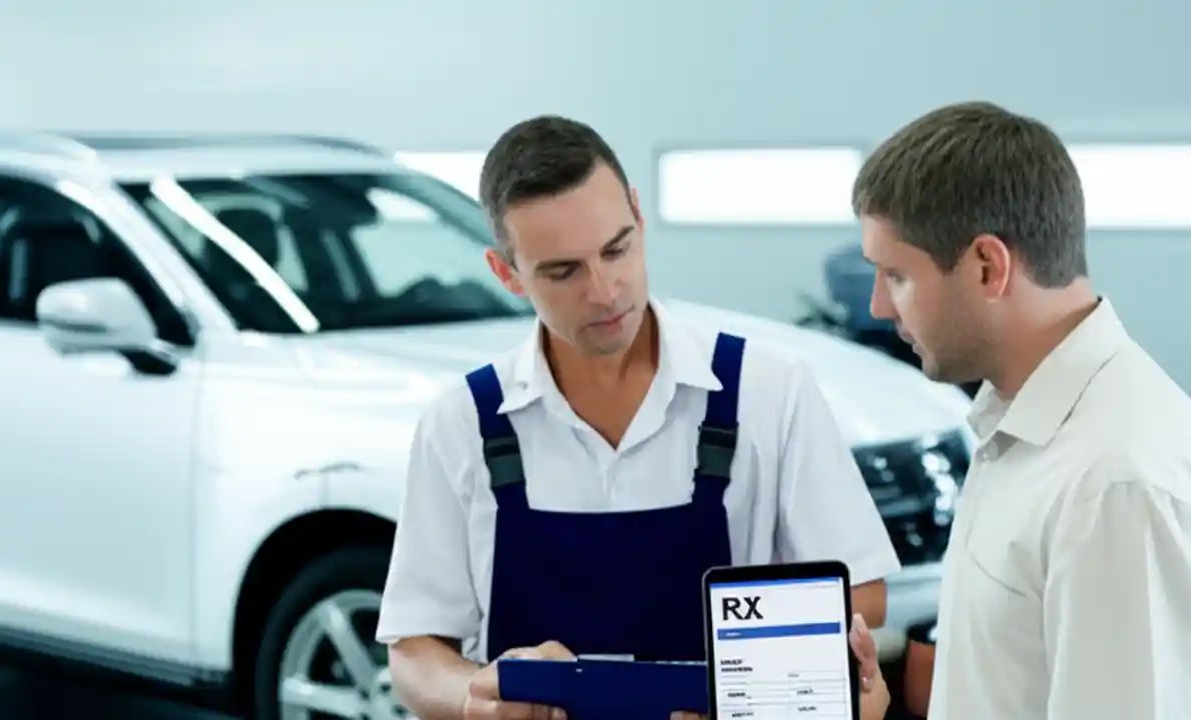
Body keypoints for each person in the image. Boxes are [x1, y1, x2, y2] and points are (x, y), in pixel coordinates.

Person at [375, 114, 900, 720]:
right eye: (563, 271)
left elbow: (863, 592)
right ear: (507, 273)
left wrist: (752, 687)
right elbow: (415, 650)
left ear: (638, 215)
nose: (604, 290)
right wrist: (476, 700)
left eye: (616, 249)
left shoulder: (768, 392)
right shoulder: (462, 423)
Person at [849, 100, 1191, 719]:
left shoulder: (1115, 483)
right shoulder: (1020, 425)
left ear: (988, 266)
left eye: (896, 275)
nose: (879, 306)